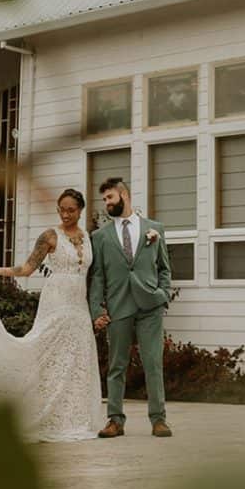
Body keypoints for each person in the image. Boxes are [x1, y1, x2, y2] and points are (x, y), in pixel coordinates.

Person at [0, 188, 102, 442]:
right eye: (62, 209)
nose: (66, 214)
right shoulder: (49, 235)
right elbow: (26, 269)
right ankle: (36, 415)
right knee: (47, 357)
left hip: (79, 307)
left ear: (80, 210)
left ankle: (73, 419)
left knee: (77, 361)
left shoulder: (88, 236)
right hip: (56, 302)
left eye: (71, 210)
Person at [88, 176, 173, 438]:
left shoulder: (154, 228)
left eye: (109, 198)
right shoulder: (100, 236)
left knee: (153, 363)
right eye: (104, 200)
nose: (106, 204)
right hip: (118, 307)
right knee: (117, 366)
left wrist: (163, 295)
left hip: (150, 306)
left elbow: (164, 268)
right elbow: (98, 276)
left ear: (123, 195)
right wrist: (97, 310)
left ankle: (158, 420)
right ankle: (115, 420)